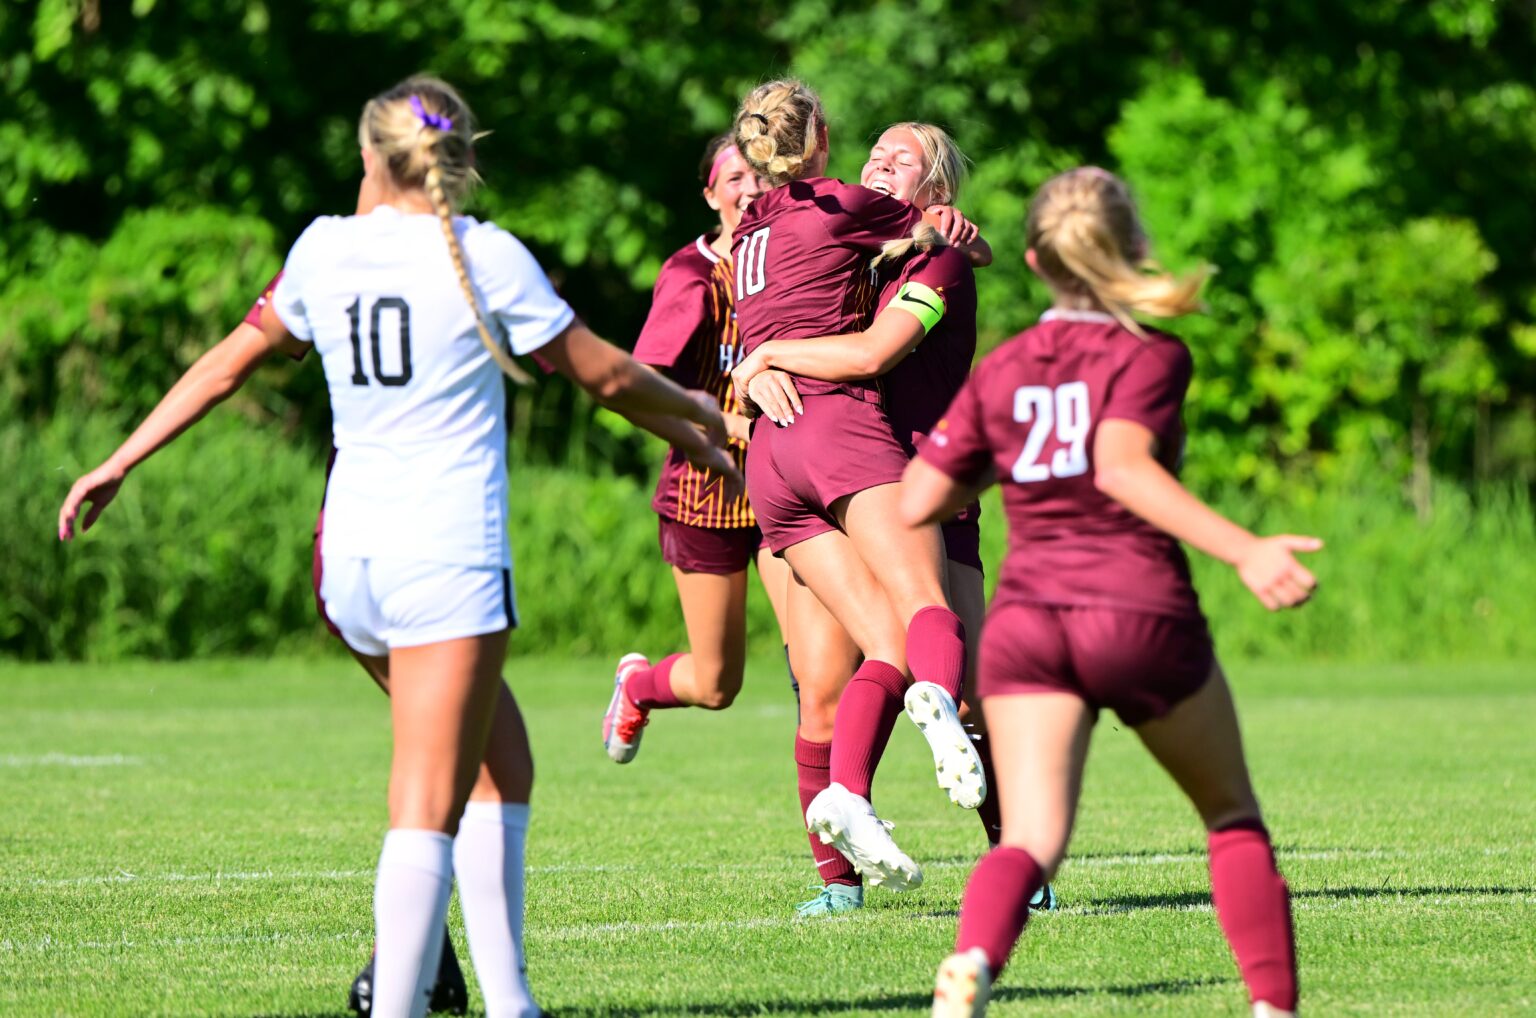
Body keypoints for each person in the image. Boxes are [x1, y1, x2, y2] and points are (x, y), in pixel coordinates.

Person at [58, 76, 734, 1018]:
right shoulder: (484, 253)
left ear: (373, 156)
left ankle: (512, 1004)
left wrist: (119, 459)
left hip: (352, 567)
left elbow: (225, 364)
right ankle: (400, 1001)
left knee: (504, 764)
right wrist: (695, 414)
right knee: (425, 802)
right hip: (443, 559)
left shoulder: (323, 248)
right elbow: (610, 377)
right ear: (458, 160)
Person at [901, 166, 1316, 1018]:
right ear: (1131, 247)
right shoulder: (1151, 351)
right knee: (1232, 817)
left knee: (1033, 840)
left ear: (1032, 260)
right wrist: (1245, 550)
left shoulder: (1005, 366)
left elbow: (916, 501)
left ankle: (974, 958)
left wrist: (994, 457)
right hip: (1135, 610)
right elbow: (1122, 465)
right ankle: (1273, 1009)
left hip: (1028, 624)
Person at [730, 122, 1054, 917]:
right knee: (834, 680)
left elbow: (873, 353)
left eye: (900, 159)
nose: (879, 161)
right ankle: (839, 874)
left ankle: (1021, 871)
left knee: (963, 687)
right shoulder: (850, 251)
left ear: (935, 192)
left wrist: (766, 357)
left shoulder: (936, 259)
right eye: (873, 152)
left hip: (924, 487)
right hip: (846, 473)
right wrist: (751, 368)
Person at [600, 134, 792, 765]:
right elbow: (638, 389)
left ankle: (840, 825)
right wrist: (725, 433)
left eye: (760, 175)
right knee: (716, 685)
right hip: (706, 495)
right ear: (710, 194)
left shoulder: (793, 259)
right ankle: (638, 685)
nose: (750, 189)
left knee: (821, 668)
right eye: (734, 178)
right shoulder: (693, 277)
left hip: (786, 488)